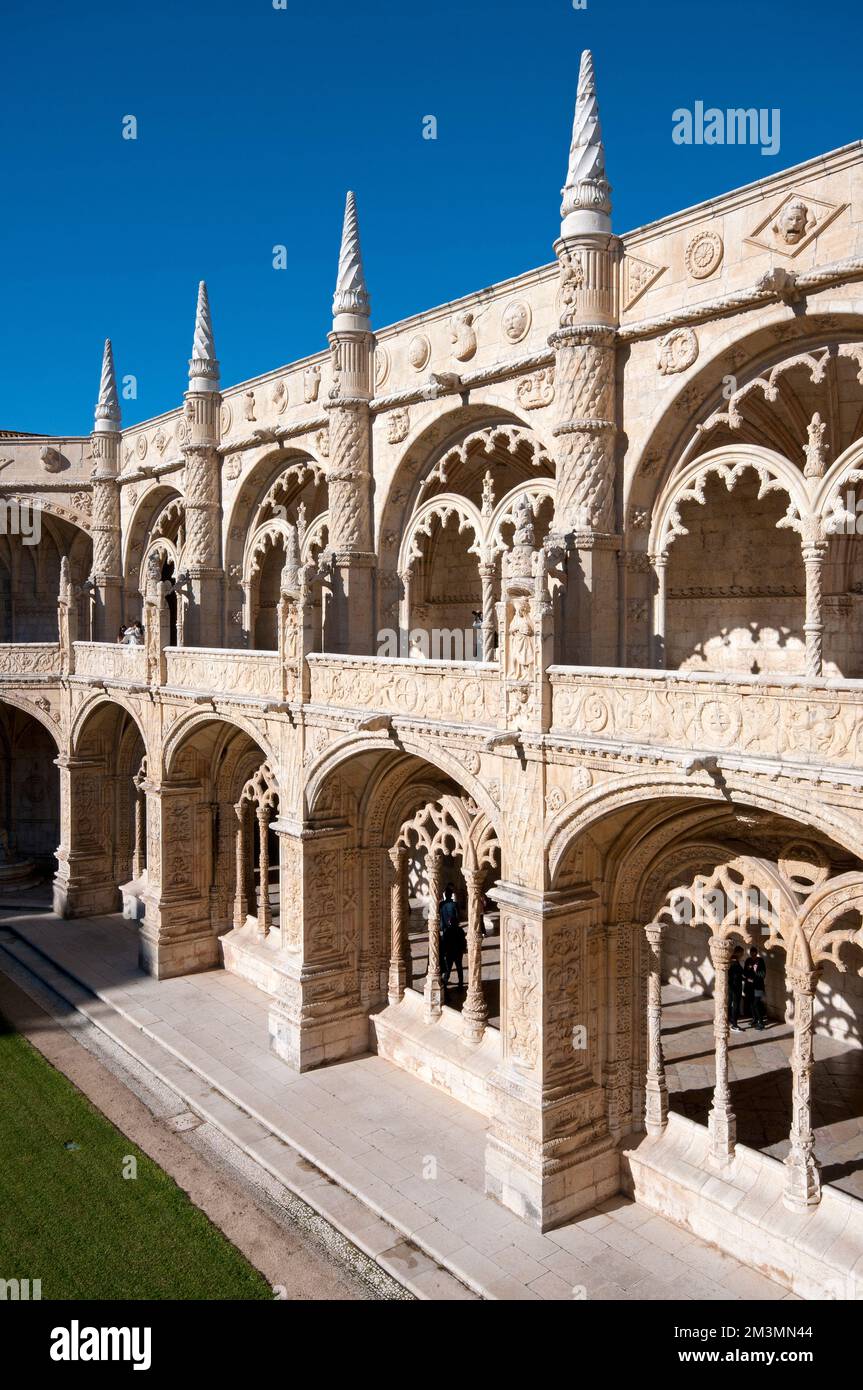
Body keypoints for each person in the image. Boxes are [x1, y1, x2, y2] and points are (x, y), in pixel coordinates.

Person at [439, 883, 466, 996]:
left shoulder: (441, 904)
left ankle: (444, 985)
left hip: (446, 932)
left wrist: (444, 951)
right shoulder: (454, 905)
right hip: (457, 951)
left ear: (445, 895)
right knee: (459, 967)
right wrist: (463, 949)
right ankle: (460, 984)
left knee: (448, 968)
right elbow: (458, 916)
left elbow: (440, 916)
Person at [744, 946, 767, 1030]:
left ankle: (761, 1023)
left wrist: (754, 977)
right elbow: (745, 972)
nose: (753, 956)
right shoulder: (748, 960)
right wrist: (748, 973)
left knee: (757, 1004)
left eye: (754, 955)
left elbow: (763, 974)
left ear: (756, 954)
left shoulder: (761, 961)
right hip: (749, 987)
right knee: (751, 1004)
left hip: (758, 986)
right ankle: (755, 1019)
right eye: (751, 954)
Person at [729, 944, 744, 1032]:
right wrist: (745, 977)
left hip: (732, 986)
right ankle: (734, 1025)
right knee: (736, 1005)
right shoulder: (734, 962)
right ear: (738, 953)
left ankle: (730, 1020)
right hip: (735, 987)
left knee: (730, 1003)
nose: (742, 955)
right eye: (742, 953)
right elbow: (736, 975)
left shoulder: (732, 960)